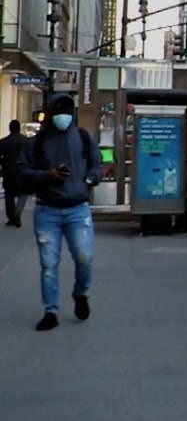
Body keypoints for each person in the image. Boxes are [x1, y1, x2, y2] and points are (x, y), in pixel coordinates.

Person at [17, 94, 102, 332]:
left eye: (66, 110)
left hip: (78, 209)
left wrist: (89, 178)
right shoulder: (39, 141)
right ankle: (50, 311)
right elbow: (22, 170)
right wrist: (47, 175)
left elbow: (97, 164)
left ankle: (80, 292)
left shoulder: (84, 138)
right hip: (48, 210)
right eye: (57, 110)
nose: (62, 115)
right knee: (48, 263)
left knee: (85, 258)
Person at [1, 119, 30, 227]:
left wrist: (3, 163)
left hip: (8, 172)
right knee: (23, 194)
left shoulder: (4, 142)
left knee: (9, 196)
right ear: (19, 128)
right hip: (23, 172)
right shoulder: (26, 141)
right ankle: (17, 213)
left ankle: (11, 217)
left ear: (10, 128)